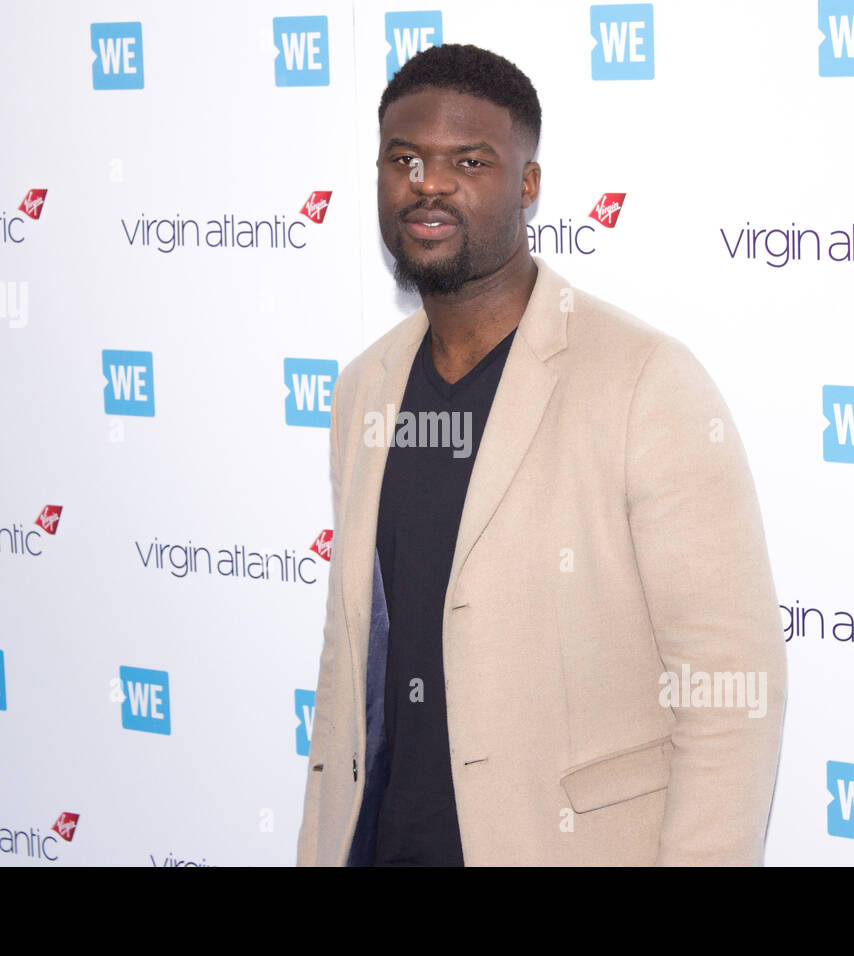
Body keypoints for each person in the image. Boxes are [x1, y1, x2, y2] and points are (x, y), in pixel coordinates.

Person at [297, 43, 786, 866]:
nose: (428, 183)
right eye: (404, 159)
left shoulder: (643, 381)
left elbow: (730, 692)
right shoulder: (362, 391)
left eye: (470, 161)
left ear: (528, 184)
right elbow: (350, 664)